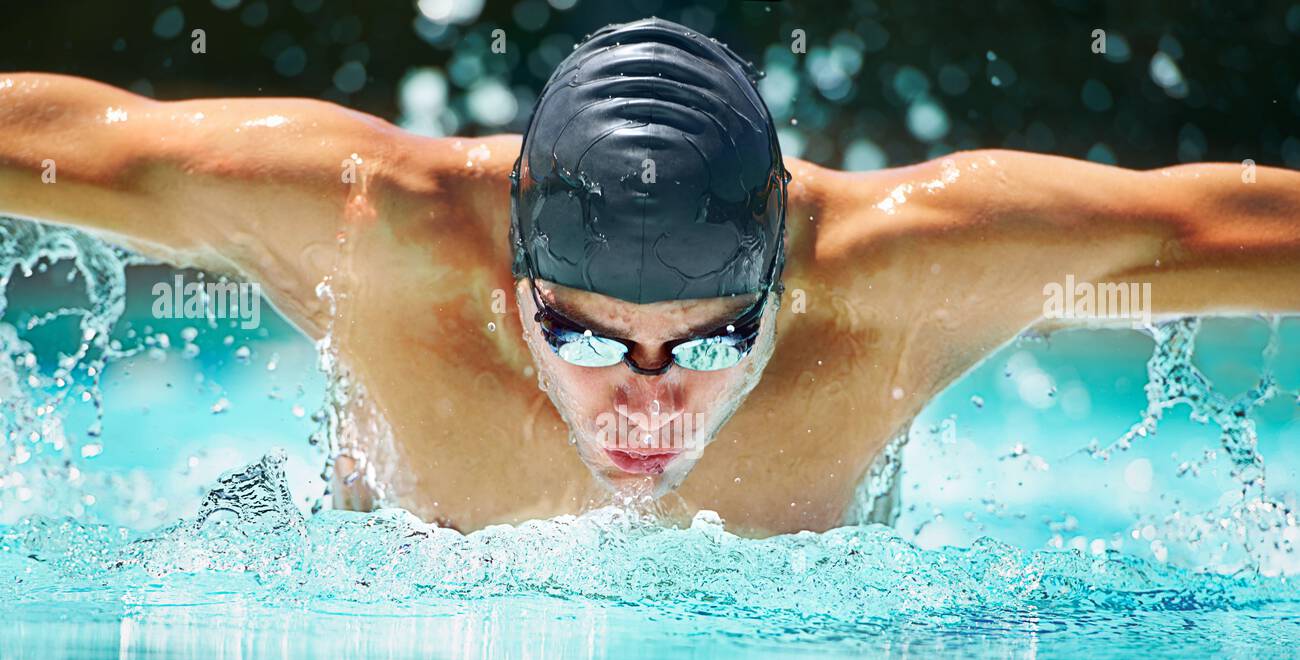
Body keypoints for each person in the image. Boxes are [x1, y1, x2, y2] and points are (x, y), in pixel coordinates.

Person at [2, 18, 1298, 536]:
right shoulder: (380, 231)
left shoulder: (899, 273)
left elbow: (1192, 235)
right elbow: (62, 145)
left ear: (784, 286)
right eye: (587, 340)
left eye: (713, 345)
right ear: (512, 282)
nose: (646, 408)